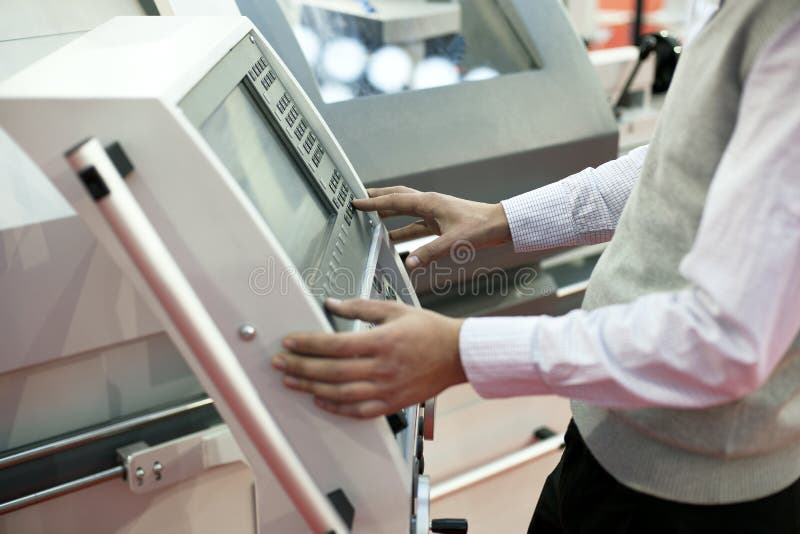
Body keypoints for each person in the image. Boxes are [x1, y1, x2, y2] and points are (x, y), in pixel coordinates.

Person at [271, 1, 800, 531]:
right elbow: (681, 157)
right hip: (609, 437)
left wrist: (462, 353)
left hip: (692, 496)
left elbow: (727, 341)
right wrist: (501, 218)